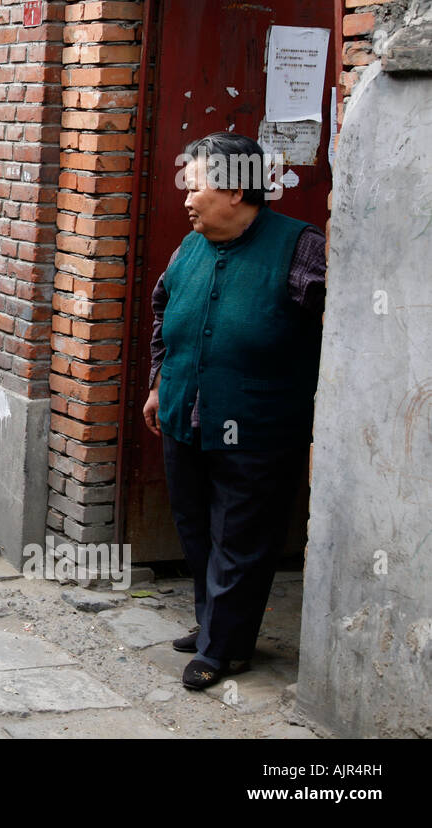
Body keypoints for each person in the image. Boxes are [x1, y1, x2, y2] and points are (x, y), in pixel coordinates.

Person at [143, 132, 326, 690]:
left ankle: (228, 649)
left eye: (195, 187)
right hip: (183, 412)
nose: (186, 199)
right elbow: (162, 316)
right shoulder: (188, 247)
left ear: (236, 191)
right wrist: (157, 386)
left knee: (242, 536)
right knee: (195, 527)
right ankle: (213, 625)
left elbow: (338, 328)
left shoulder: (300, 247)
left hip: (261, 424)